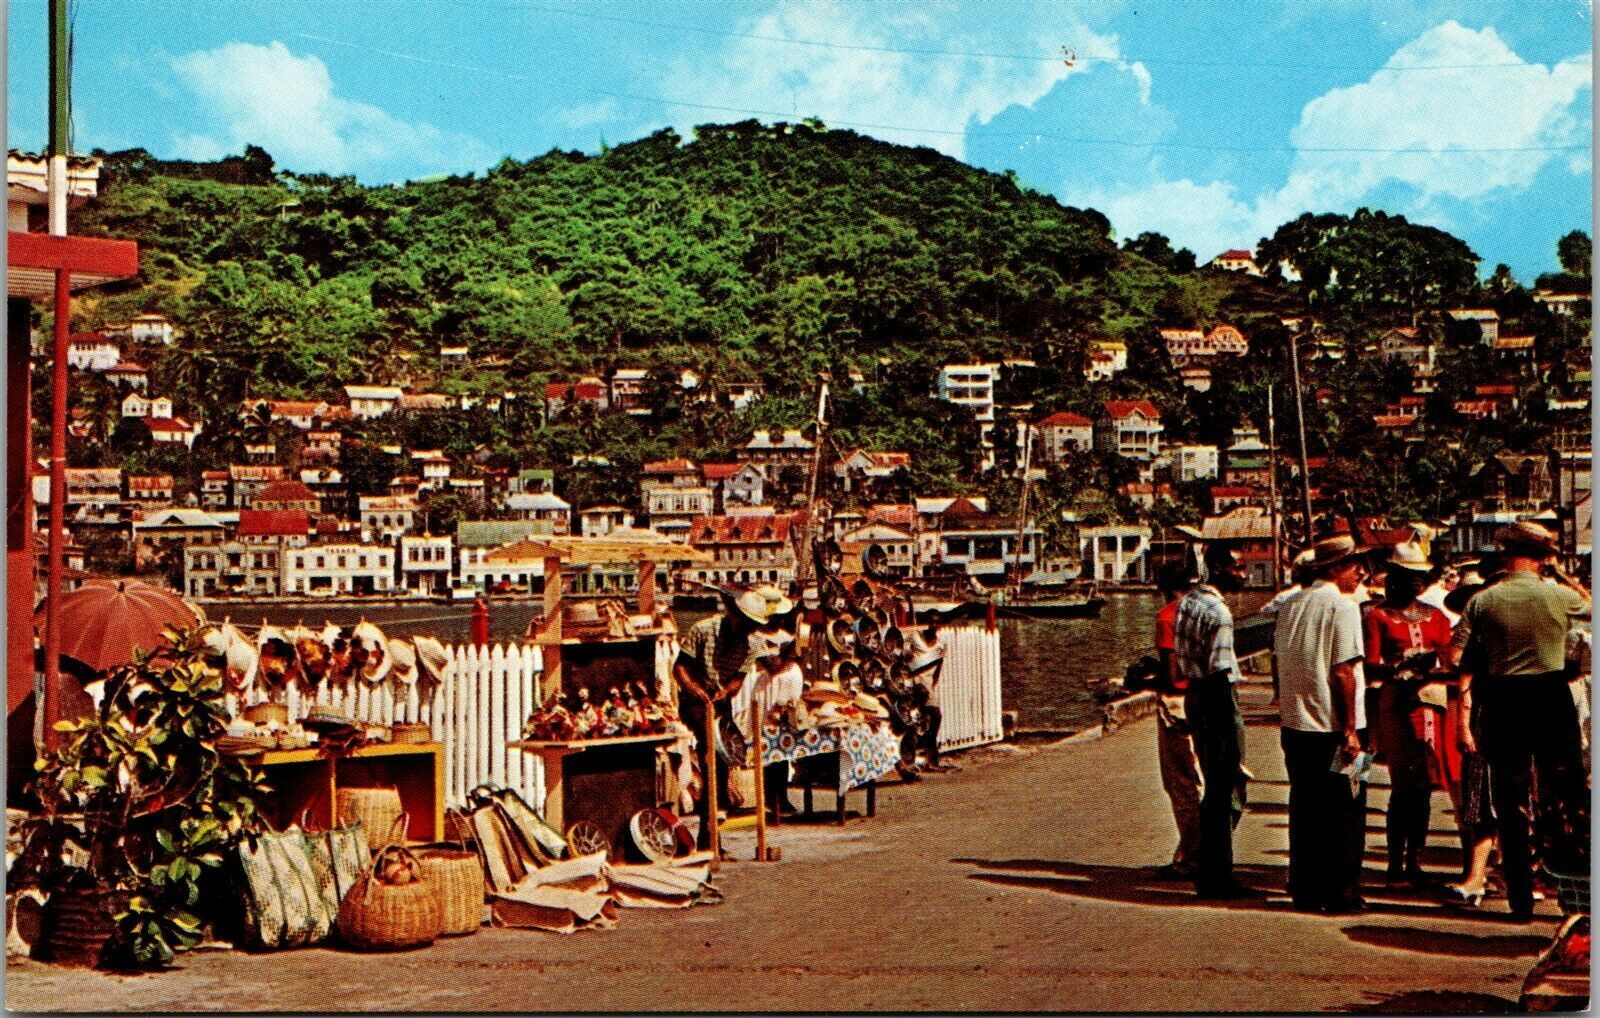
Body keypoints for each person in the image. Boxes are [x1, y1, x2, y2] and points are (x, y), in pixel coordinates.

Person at [1454, 521, 1591, 921]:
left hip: (1502, 699)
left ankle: (1519, 897)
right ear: (1543, 558)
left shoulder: (1482, 600)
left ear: (1503, 556)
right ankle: (1569, 889)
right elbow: (1591, 606)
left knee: (1509, 801)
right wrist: (1562, 575)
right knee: (1562, 796)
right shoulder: (1560, 595)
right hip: (1550, 696)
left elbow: (1457, 652)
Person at [1274, 535, 1370, 914]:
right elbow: (1344, 671)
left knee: (1304, 805)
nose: (1361, 572)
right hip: (1339, 727)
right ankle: (1341, 891)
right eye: (1354, 565)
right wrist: (1350, 731)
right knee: (1349, 807)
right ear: (1334, 569)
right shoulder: (1343, 606)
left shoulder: (1291, 604)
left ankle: (1304, 885)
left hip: (1296, 723)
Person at [675, 584, 793, 850]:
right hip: (694, 699)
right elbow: (680, 668)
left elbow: (738, 679)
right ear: (734, 617)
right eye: (746, 623)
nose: (749, 630)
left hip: (720, 699)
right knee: (710, 756)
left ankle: (712, 832)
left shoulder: (752, 642)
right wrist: (696, 691)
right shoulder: (703, 629)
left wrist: (724, 692)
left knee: (723, 760)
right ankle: (709, 831)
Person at [1363, 542, 1452, 889]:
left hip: (1431, 704)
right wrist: (1401, 668)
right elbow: (1370, 666)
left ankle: (1415, 861)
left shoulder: (1438, 617)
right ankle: (1395, 865)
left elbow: (1448, 662)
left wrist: (1431, 667)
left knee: (1425, 787)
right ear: (1394, 578)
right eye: (1409, 576)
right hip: (1396, 705)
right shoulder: (1377, 616)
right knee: (1404, 786)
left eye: (1420, 576)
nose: (1416, 583)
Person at [1173, 542, 1250, 898]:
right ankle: (1217, 876)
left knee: (1214, 786)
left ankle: (1206, 865)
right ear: (1218, 568)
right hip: (1218, 699)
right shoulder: (1219, 612)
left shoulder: (1187, 602)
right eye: (1238, 567)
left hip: (1195, 695)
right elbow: (1221, 671)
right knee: (1228, 787)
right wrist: (1230, 729)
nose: (1244, 574)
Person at [1153, 561, 1202, 879]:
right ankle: (1195, 851)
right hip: (1208, 698)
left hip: (1178, 703)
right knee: (1202, 776)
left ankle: (1190, 856)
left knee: (1181, 782)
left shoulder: (1168, 616)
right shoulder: (1208, 611)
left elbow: (1174, 671)